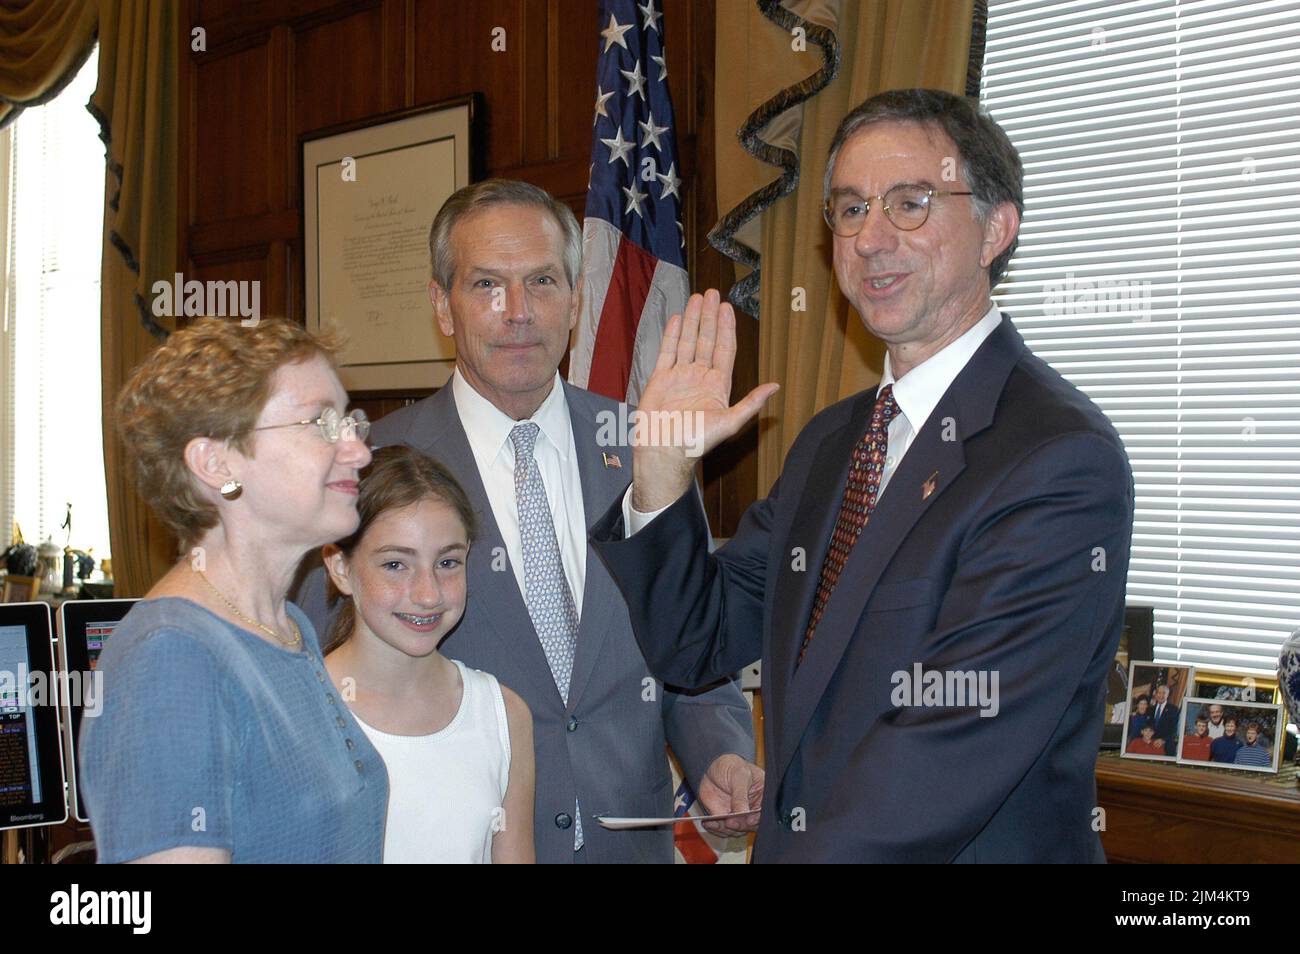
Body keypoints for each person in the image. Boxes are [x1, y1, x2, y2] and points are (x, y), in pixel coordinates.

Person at [588, 89, 1136, 862]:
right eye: (849, 210)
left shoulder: (1056, 458)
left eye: (910, 204)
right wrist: (660, 472)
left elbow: (941, 760)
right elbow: (698, 643)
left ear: (995, 229)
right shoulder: (832, 441)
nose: (870, 239)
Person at [296, 179, 757, 863]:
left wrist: (718, 751)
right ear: (442, 307)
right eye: (486, 284)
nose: (518, 312)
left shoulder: (649, 447)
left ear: (575, 301)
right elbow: (314, 682)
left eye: (542, 281)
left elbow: (689, 641)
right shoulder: (368, 470)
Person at [79, 317, 386, 863]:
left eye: (351, 422)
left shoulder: (291, 629)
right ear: (216, 463)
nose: (358, 450)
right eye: (321, 423)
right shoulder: (170, 657)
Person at [322, 445, 535, 862]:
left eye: (448, 562)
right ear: (340, 568)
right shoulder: (294, 711)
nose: (427, 594)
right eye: (396, 565)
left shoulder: (504, 716)